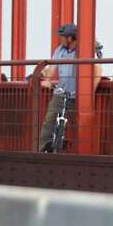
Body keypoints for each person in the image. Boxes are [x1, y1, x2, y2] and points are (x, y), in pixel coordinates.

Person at [38, 23, 78, 152]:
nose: (60, 39)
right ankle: (42, 149)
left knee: (77, 123)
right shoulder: (59, 50)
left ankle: (78, 151)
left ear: (70, 38)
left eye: (62, 37)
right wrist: (47, 79)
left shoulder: (82, 51)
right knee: (49, 120)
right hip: (61, 92)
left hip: (77, 95)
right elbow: (51, 69)